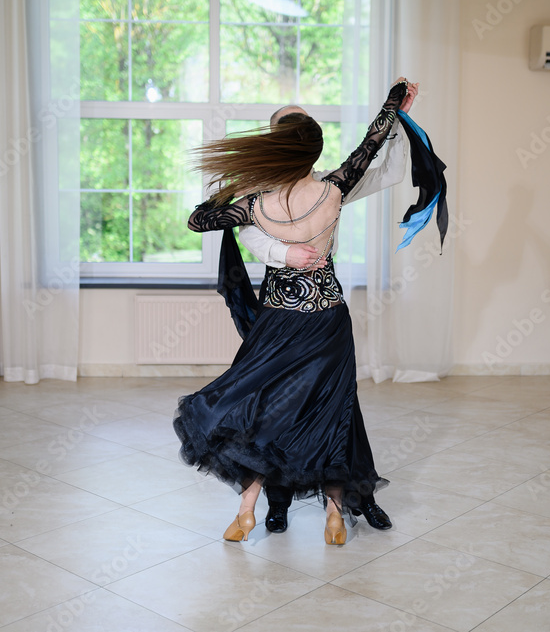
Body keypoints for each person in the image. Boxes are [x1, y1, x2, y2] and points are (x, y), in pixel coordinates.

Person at [174, 78, 414, 546]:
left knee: (263, 412)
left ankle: (246, 509)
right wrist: (393, 101)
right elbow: (372, 141)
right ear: (313, 150)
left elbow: (198, 220)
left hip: (279, 322)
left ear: (273, 149)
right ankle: (334, 516)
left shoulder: (255, 204)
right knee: (332, 413)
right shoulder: (335, 189)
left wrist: (233, 188)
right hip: (327, 319)